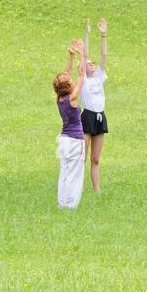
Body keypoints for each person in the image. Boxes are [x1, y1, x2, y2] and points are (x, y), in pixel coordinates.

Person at [54, 39, 86, 209]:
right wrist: (82, 55)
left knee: (64, 173)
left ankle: (62, 203)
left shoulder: (60, 98)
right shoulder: (73, 99)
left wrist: (70, 56)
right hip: (75, 141)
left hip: (64, 140)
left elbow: (65, 76)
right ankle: (71, 205)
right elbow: (81, 75)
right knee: (76, 174)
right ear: (69, 86)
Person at [80, 18, 109, 193]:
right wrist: (88, 34)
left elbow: (104, 56)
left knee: (95, 158)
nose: (92, 64)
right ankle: (80, 187)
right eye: (89, 64)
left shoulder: (99, 77)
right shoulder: (83, 79)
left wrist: (104, 34)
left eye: (93, 64)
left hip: (100, 116)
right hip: (88, 117)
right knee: (82, 156)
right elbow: (84, 55)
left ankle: (97, 189)